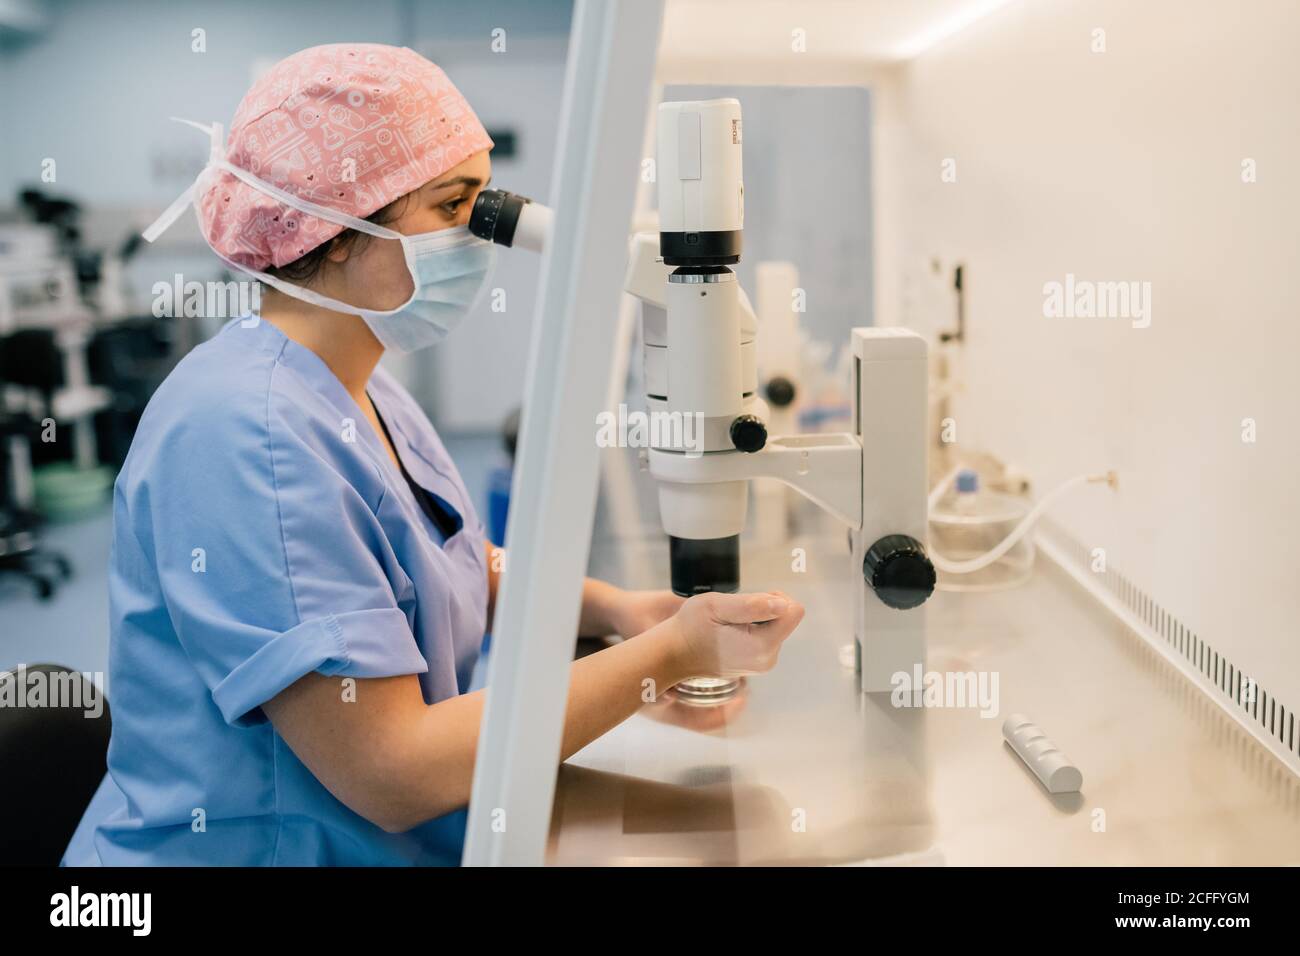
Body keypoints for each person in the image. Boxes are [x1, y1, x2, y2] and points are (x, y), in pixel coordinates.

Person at [63, 43, 803, 866]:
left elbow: (446, 560)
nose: (482, 236)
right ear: (335, 230)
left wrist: (614, 613)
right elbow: (395, 771)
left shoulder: (359, 386)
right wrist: (667, 656)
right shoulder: (248, 434)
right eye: (456, 205)